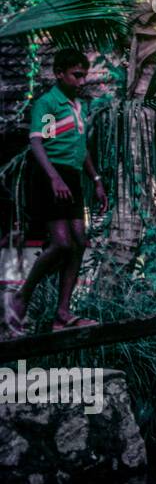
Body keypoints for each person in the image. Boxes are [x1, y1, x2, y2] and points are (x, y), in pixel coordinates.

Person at [5, 49, 108, 337]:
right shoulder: (48, 103)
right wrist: (54, 178)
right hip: (51, 176)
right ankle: (22, 296)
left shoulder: (78, 106)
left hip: (73, 177)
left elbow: (81, 147)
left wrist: (96, 179)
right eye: (76, 75)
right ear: (59, 73)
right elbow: (38, 144)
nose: (82, 81)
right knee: (61, 243)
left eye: (84, 75)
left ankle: (62, 314)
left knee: (79, 242)